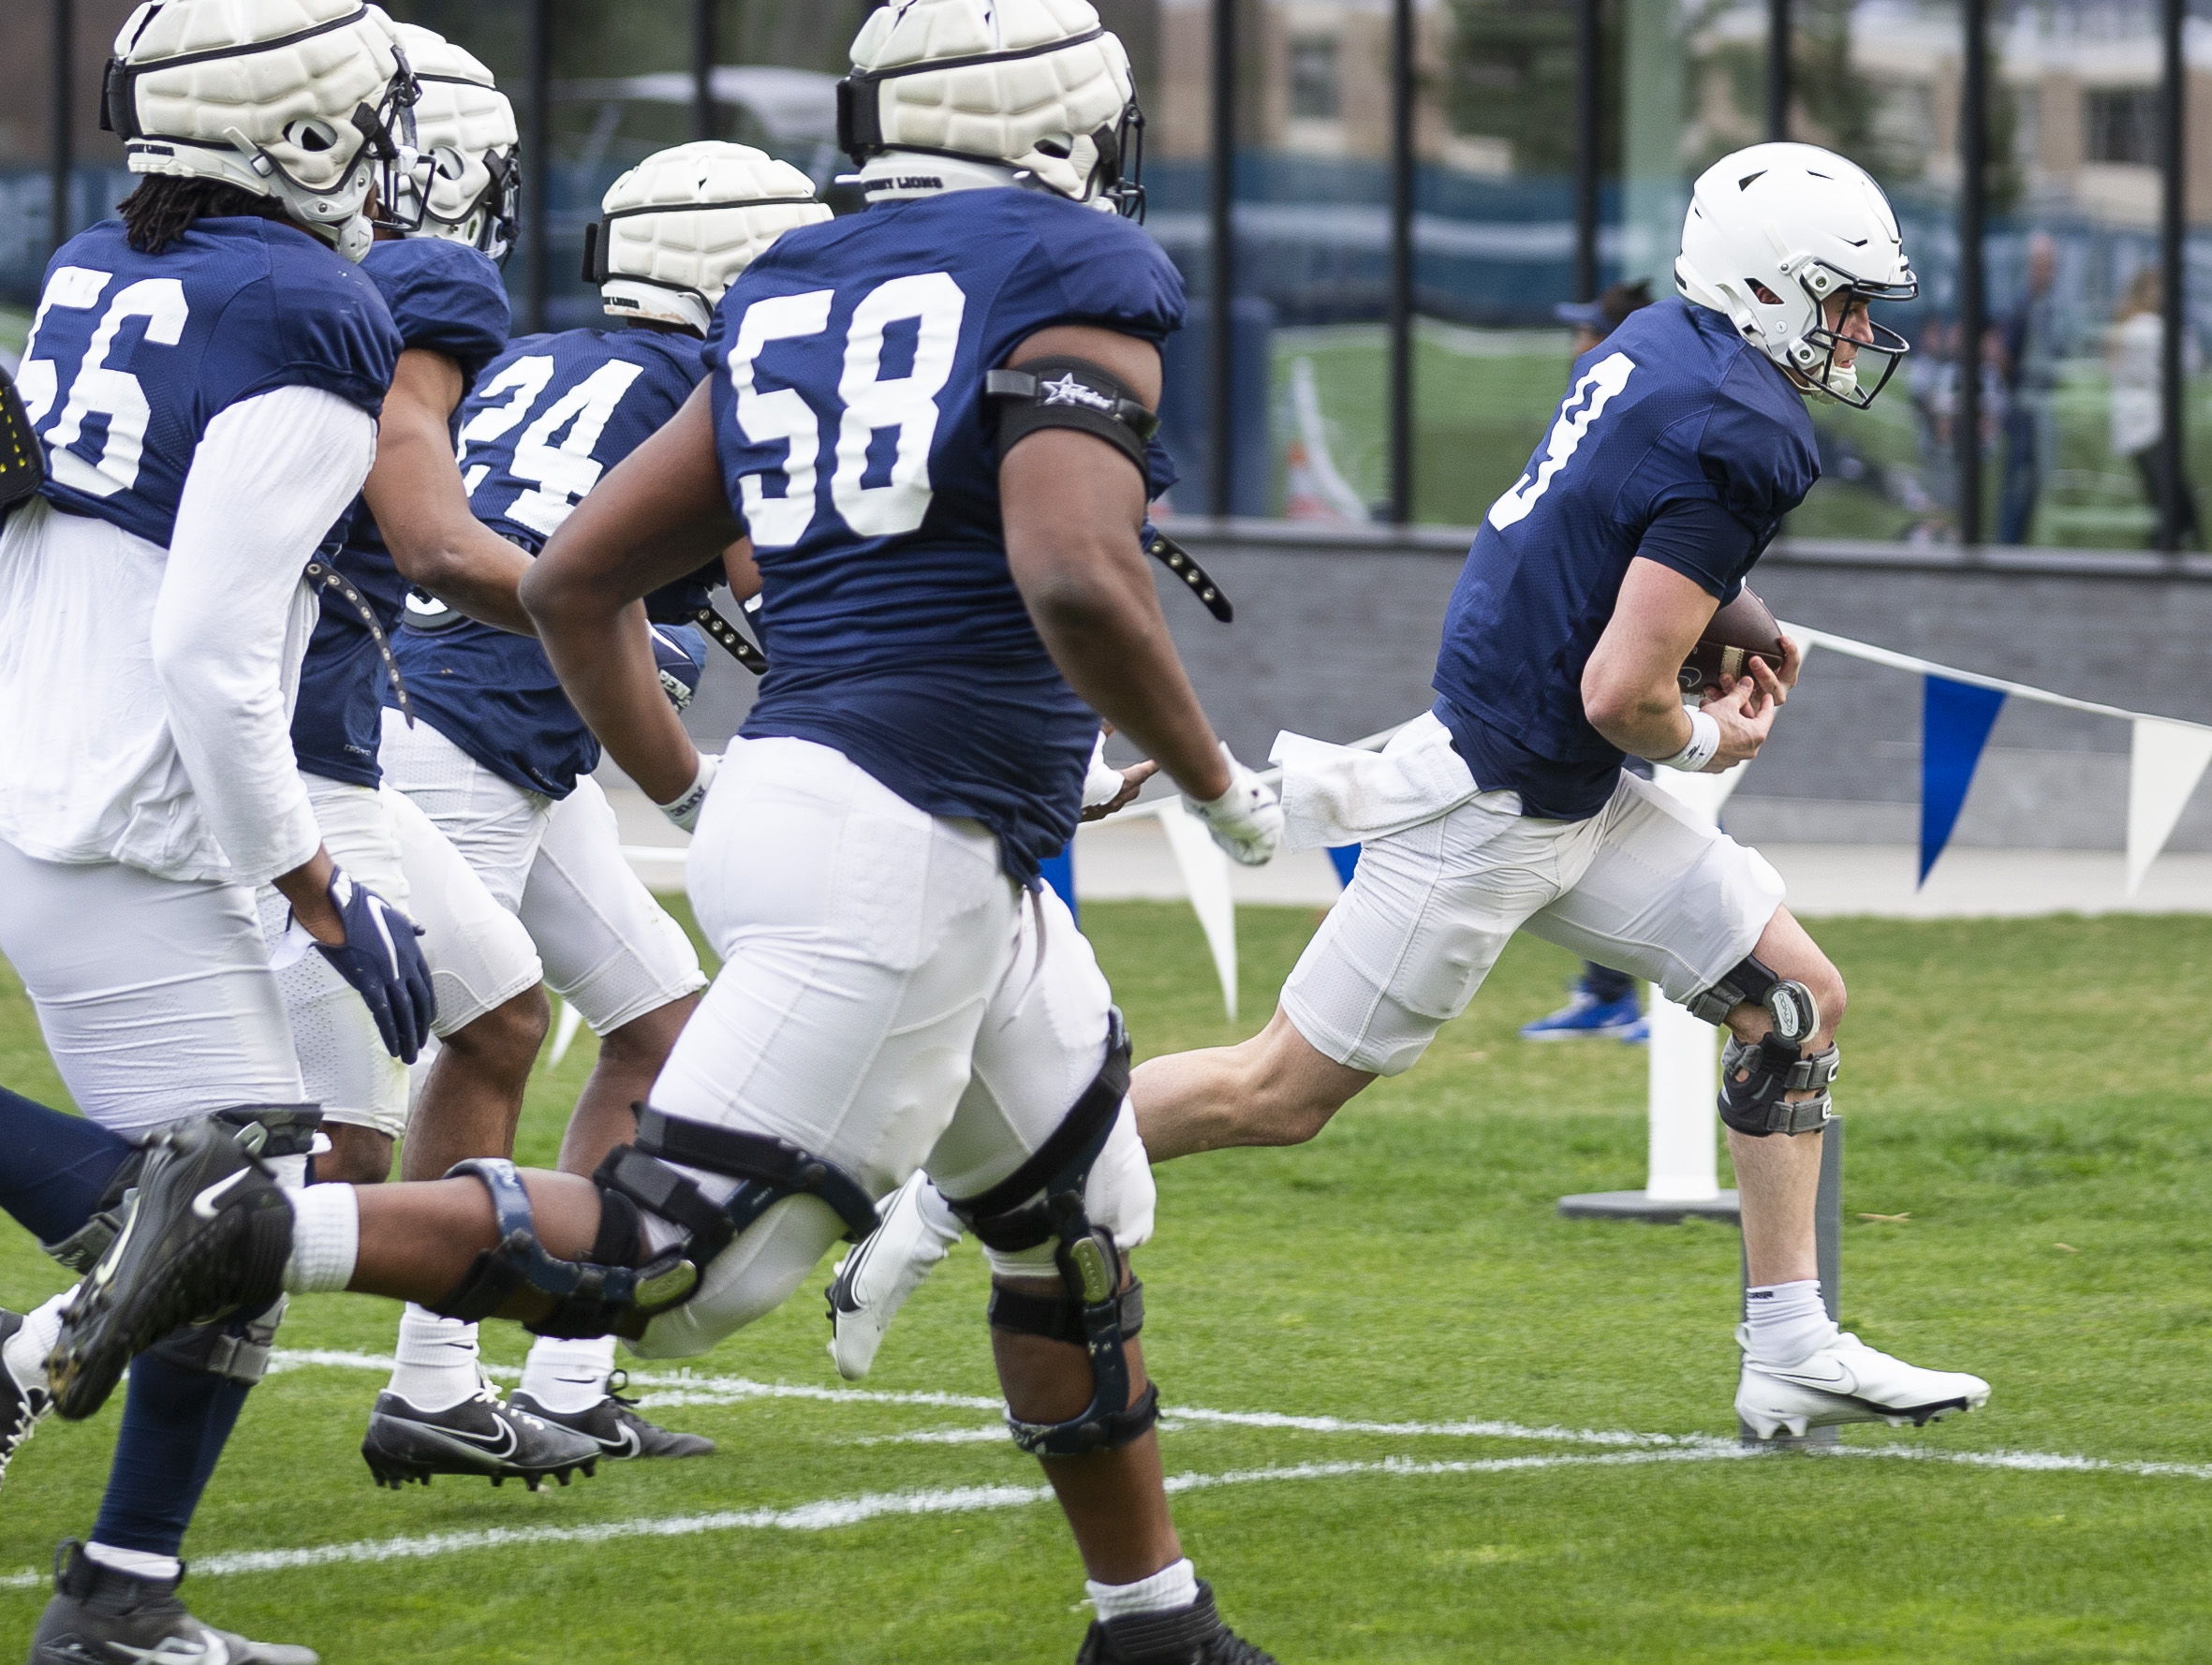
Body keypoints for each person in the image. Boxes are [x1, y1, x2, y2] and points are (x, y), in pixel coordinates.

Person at [47, 3, 1286, 1658]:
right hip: (901, 843)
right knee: (670, 1263)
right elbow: (1071, 569)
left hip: (866, 812)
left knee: (1073, 1223)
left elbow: (570, 579)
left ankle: (1152, 1618)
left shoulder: (790, 288)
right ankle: (253, 1221)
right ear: (1065, 129)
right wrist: (1207, 776)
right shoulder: (1074, 267)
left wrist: (693, 790)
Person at [830, 143, 1998, 1444]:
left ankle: (1786, 1347)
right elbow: (1623, 691)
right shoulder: (1745, 425)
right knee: (1272, 1094)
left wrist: (1730, 611)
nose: (1856, 330)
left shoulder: (1660, 345)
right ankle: (937, 1196)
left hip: (1553, 781)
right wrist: (1704, 744)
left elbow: (1602, 530)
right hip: (1493, 802)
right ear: (1771, 286)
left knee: (1792, 1002)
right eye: (1839, 299)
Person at [0, 4, 425, 1659]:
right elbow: (208, 656)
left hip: (28, 782)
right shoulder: (318, 312)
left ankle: (122, 1589)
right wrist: (315, 888)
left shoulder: (97, 265)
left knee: (223, 1205)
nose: (378, 153)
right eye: (357, 120)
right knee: (234, 1211)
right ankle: (116, 1603)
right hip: (121, 820)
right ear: (295, 137)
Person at [369, 137, 829, 1465]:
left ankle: (570, 1377)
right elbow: (791, 596)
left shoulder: (534, 357)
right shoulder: (720, 393)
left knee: (661, 1022)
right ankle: (432, 1382)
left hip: (483, 725)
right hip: (461, 739)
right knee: (391, 1077)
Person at [1524, 274, 1659, 1044]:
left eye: (1587, 331)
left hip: (1611, 670)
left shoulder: (1629, 428)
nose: (1575, 344)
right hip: (1582, 663)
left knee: (1607, 832)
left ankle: (1619, 1000)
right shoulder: (1598, 417)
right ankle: (1607, 996)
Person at [2109, 267, 2202, 549]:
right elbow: (2190, 364)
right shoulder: (2154, 330)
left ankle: (2162, 555)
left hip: (2132, 425)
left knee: (2167, 502)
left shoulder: (2125, 326)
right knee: (2175, 506)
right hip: (2152, 425)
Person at [1997, 231, 2061, 545]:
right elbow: (2005, 357)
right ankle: (2009, 545)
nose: (2049, 274)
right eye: (2044, 266)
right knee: (2018, 484)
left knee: (2033, 484)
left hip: (2039, 411)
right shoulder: (2023, 308)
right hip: (2024, 412)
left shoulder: (2046, 308)